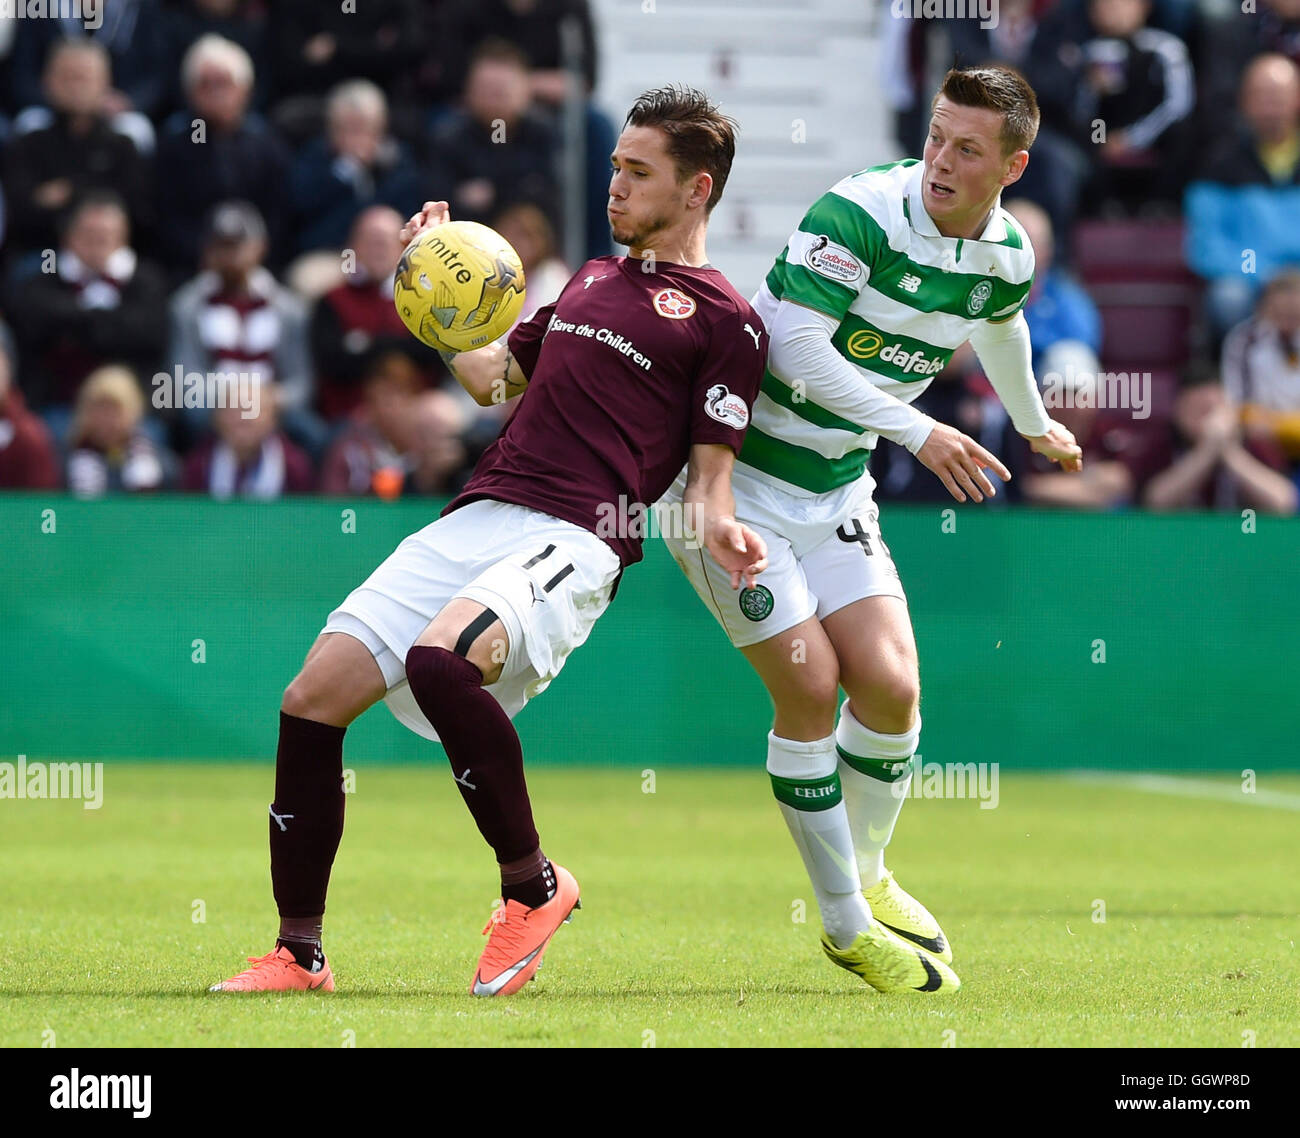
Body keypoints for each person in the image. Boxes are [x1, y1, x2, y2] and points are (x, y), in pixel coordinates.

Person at [209, 86, 769, 997]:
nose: (615, 187)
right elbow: (488, 376)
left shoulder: (726, 322)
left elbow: (710, 479)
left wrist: (724, 529)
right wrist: (426, 273)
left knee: (440, 662)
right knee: (310, 700)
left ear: (698, 190)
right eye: (616, 166)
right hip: (480, 512)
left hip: (578, 533)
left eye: (638, 172)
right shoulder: (587, 281)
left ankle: (533, 888)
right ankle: (298, 955)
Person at [659, 65, 1081, 995]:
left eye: (967, 149)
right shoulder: (859, 213)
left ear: (1011, 165)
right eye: (936, 135)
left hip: (836, 493)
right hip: (734, 489)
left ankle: (873, 872)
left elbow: (999, 323)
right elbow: (801, 348)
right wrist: (920, 429)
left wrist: (1034, 419)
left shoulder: (1007, 253)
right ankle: (846, 922)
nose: (940, 160)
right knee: (811, 691)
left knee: (889, 690)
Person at [1144, 367, 1296, 514]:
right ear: (1178, 411)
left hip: (1244, 536)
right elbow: (1155, 502)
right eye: (1198, 410)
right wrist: (1207, 451)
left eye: (1212, 409)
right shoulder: (1162, 446)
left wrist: (1229, 452)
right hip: (1179, 537)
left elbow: (1282, 502)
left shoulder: (1254, 444)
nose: (1207, 420)